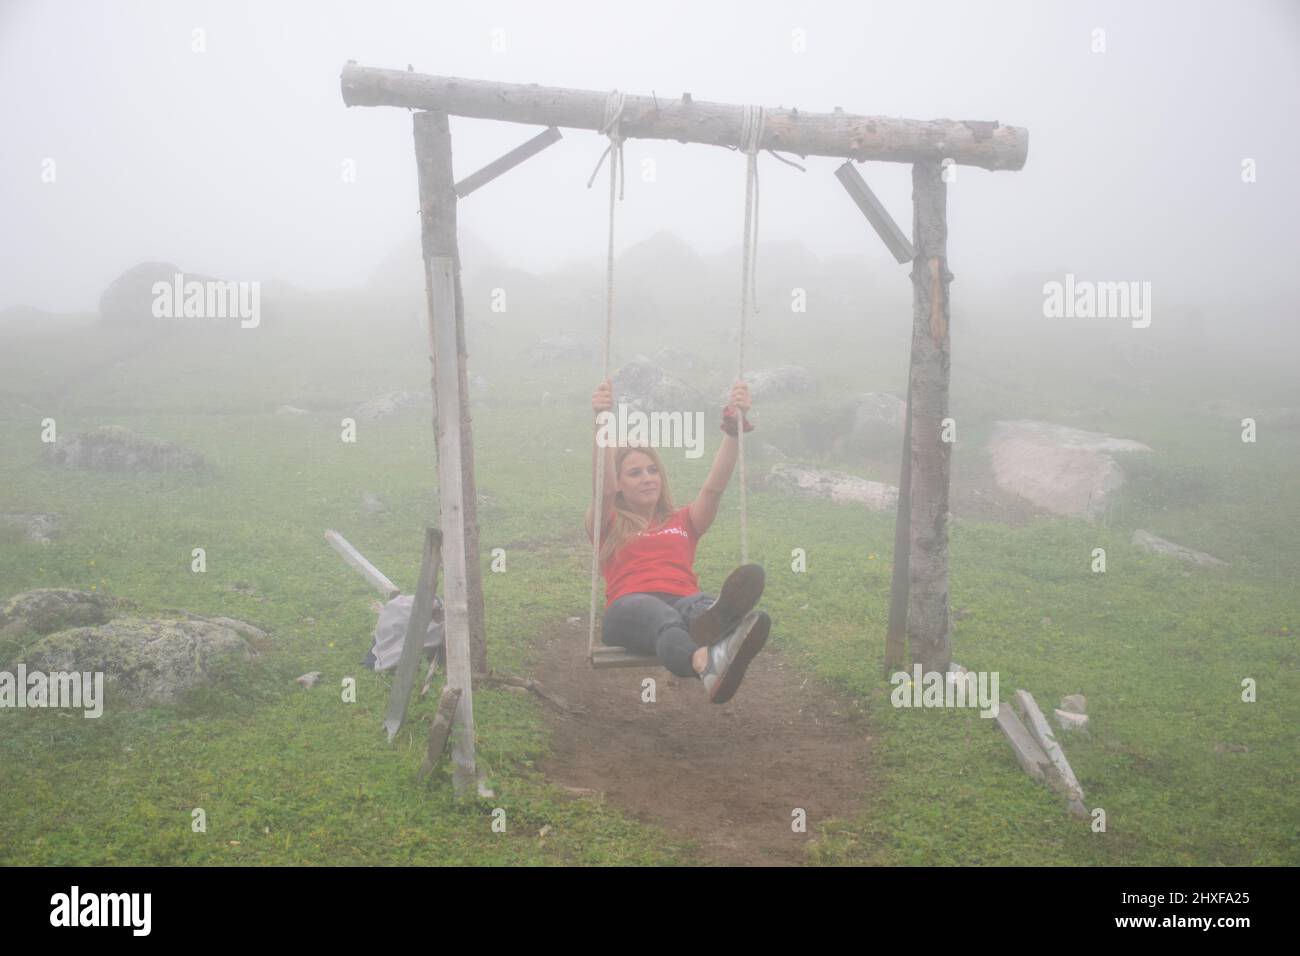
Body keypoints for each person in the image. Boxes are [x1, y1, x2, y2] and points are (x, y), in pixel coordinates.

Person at [585, 377, 770, 703]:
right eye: (635, 473)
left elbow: (714, 488)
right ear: (621, 484)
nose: (647, 479)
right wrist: (602, 420)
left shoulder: (683, 520)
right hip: (629, 607)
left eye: (652, 470)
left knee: (702, 607)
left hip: (684, 599)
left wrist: (732, 429)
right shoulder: (608, 522)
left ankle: (723, 624)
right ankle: (704, 663)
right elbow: (604, 488)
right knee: (665, 619)